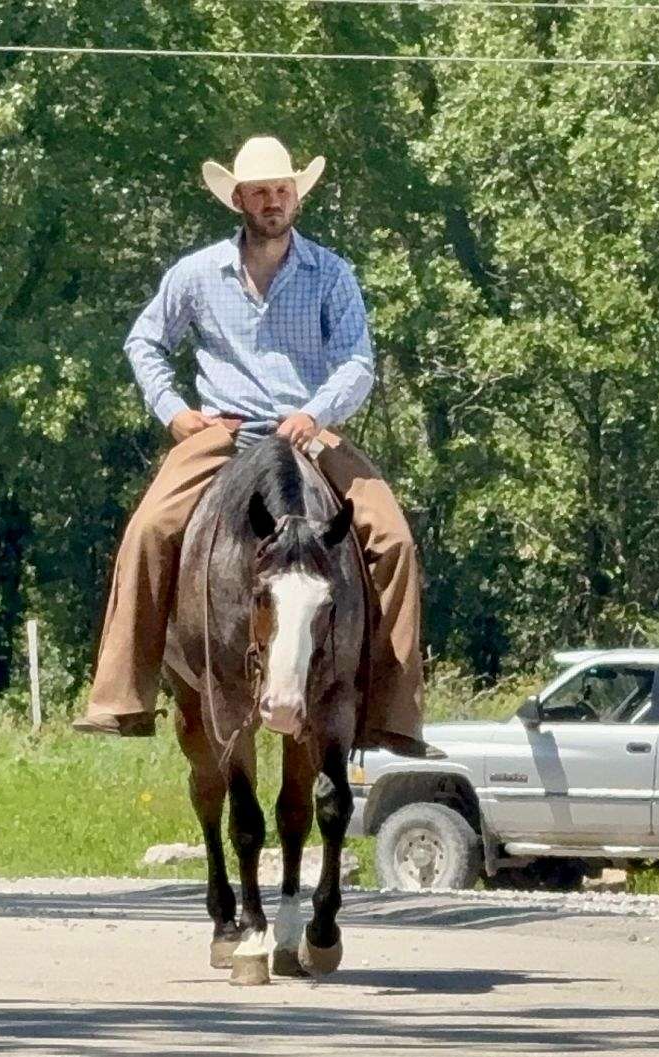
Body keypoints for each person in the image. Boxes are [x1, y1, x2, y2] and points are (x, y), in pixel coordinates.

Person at [73, 135, 429, 757]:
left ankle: (391, 712)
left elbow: (357, 364)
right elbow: (144, 340)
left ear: (297, 197)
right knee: (151, 529)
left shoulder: (331, 273)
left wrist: (314, 414)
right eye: (260, 192)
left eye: (282, 191)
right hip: (224, 434)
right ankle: (122, 694)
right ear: (238, 199)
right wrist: (175, 411)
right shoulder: (196, 273)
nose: (272, 202)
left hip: (310, 435)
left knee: (393, 539)